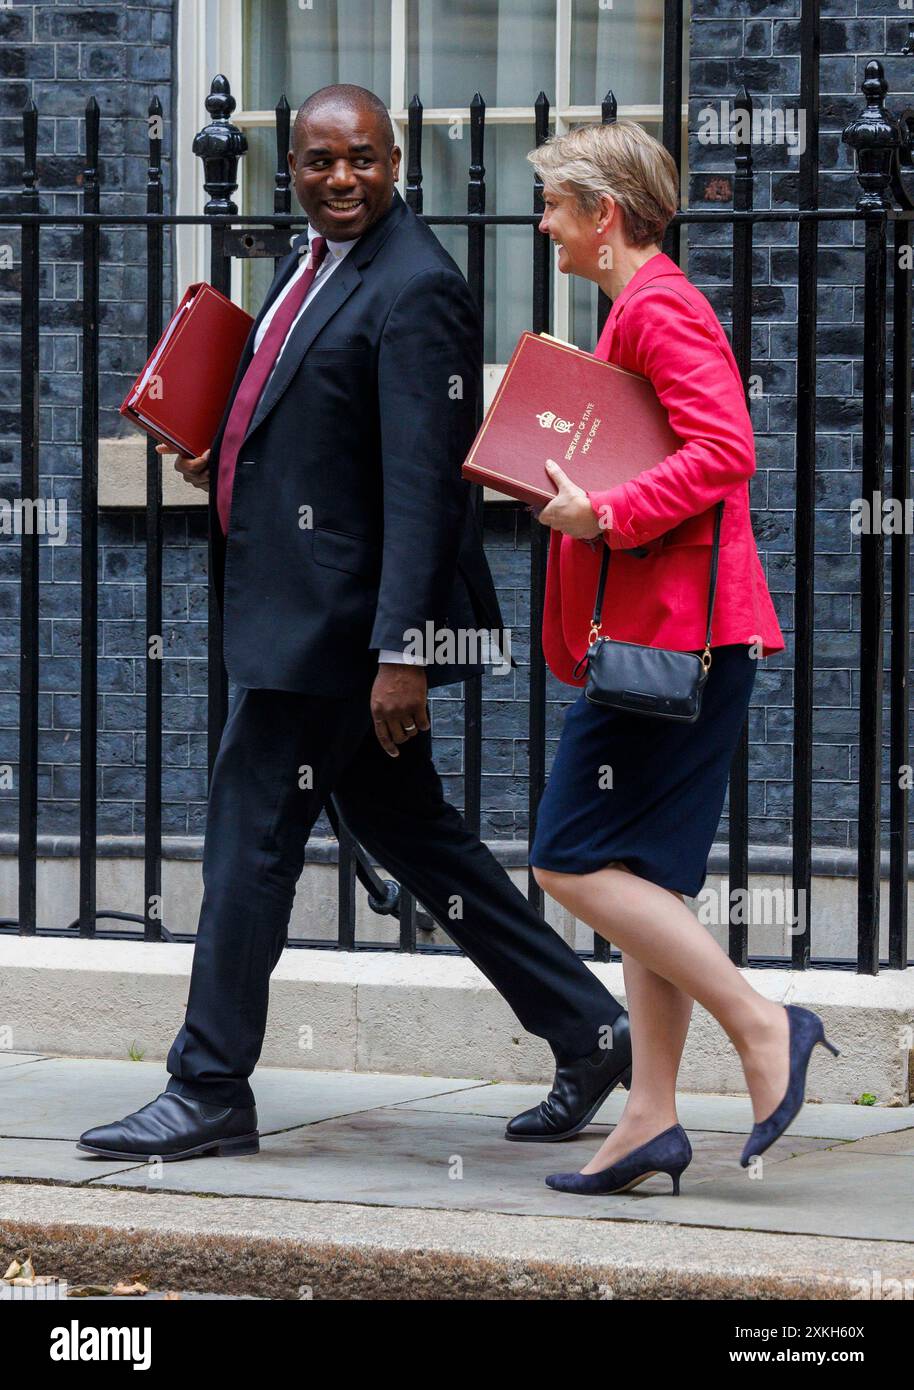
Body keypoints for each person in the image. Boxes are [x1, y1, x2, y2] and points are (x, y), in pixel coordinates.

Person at [76, 85, 632, 1164]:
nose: (341, 179)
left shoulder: (416, 283)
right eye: (320, 161)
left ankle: (206, 1087)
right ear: (292, 164)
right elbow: (298, 416)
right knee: (414, 832)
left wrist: (401, 652)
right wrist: (223, 456)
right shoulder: (310, 259)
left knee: (248, 838)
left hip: (340, 633)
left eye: (363, 160)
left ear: (394, 164)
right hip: (302, 610)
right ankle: (588, 1026)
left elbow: (426, 489)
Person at [524, 120, 838, 1196]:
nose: (544, 226)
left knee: (566, 856)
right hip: (682, 643)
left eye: (556, 207)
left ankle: (762, 1020)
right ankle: (649, 1118)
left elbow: (724, 451)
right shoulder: (635, 309)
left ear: (602, 215)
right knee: (644, 877)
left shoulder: (657, 306)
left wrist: (599, 511)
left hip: (672, 646)